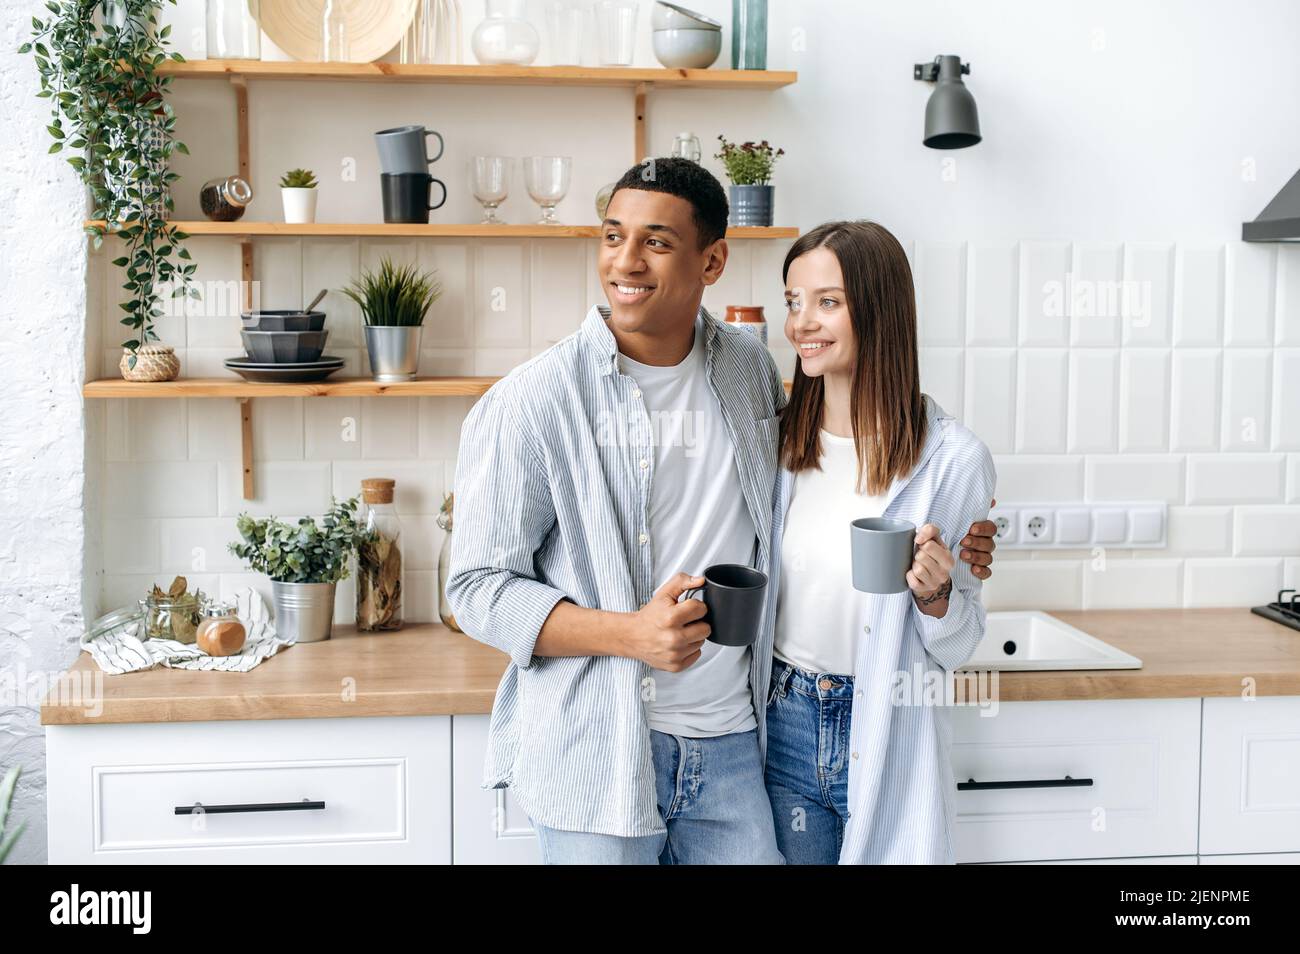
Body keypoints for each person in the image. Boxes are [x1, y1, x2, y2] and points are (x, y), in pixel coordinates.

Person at [447, 159, 999, 864]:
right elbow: (476, 591)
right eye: (612, 237)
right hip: (598, 752)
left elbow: (855, 459)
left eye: (655, 242)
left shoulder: (747, 373)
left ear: (712, 262)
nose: (626, 261)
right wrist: (630, 634)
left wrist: (956, 558)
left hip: (737, 745)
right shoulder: (533, 402)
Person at [760, 220, 997, 864]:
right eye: (794, 301)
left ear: (881, 310)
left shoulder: (953, 462)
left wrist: (940, 598)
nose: (801, 323)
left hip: (889, 721)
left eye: (827, 301)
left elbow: (960, 643)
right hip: (785, 718)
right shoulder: (778, 444)